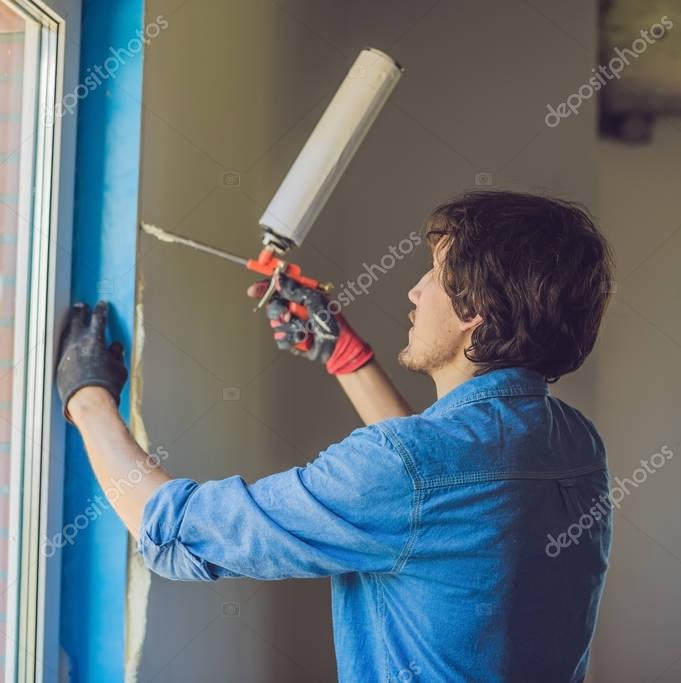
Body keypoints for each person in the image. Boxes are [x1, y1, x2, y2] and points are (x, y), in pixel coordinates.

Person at [55, 189, 614, 682]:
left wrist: (88, 396)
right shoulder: (574, 443)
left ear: (479, 310)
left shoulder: (411, 467)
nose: (415, 292)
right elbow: (432, 494)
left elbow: (178, 533)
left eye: (435, 276)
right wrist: (345, 356)